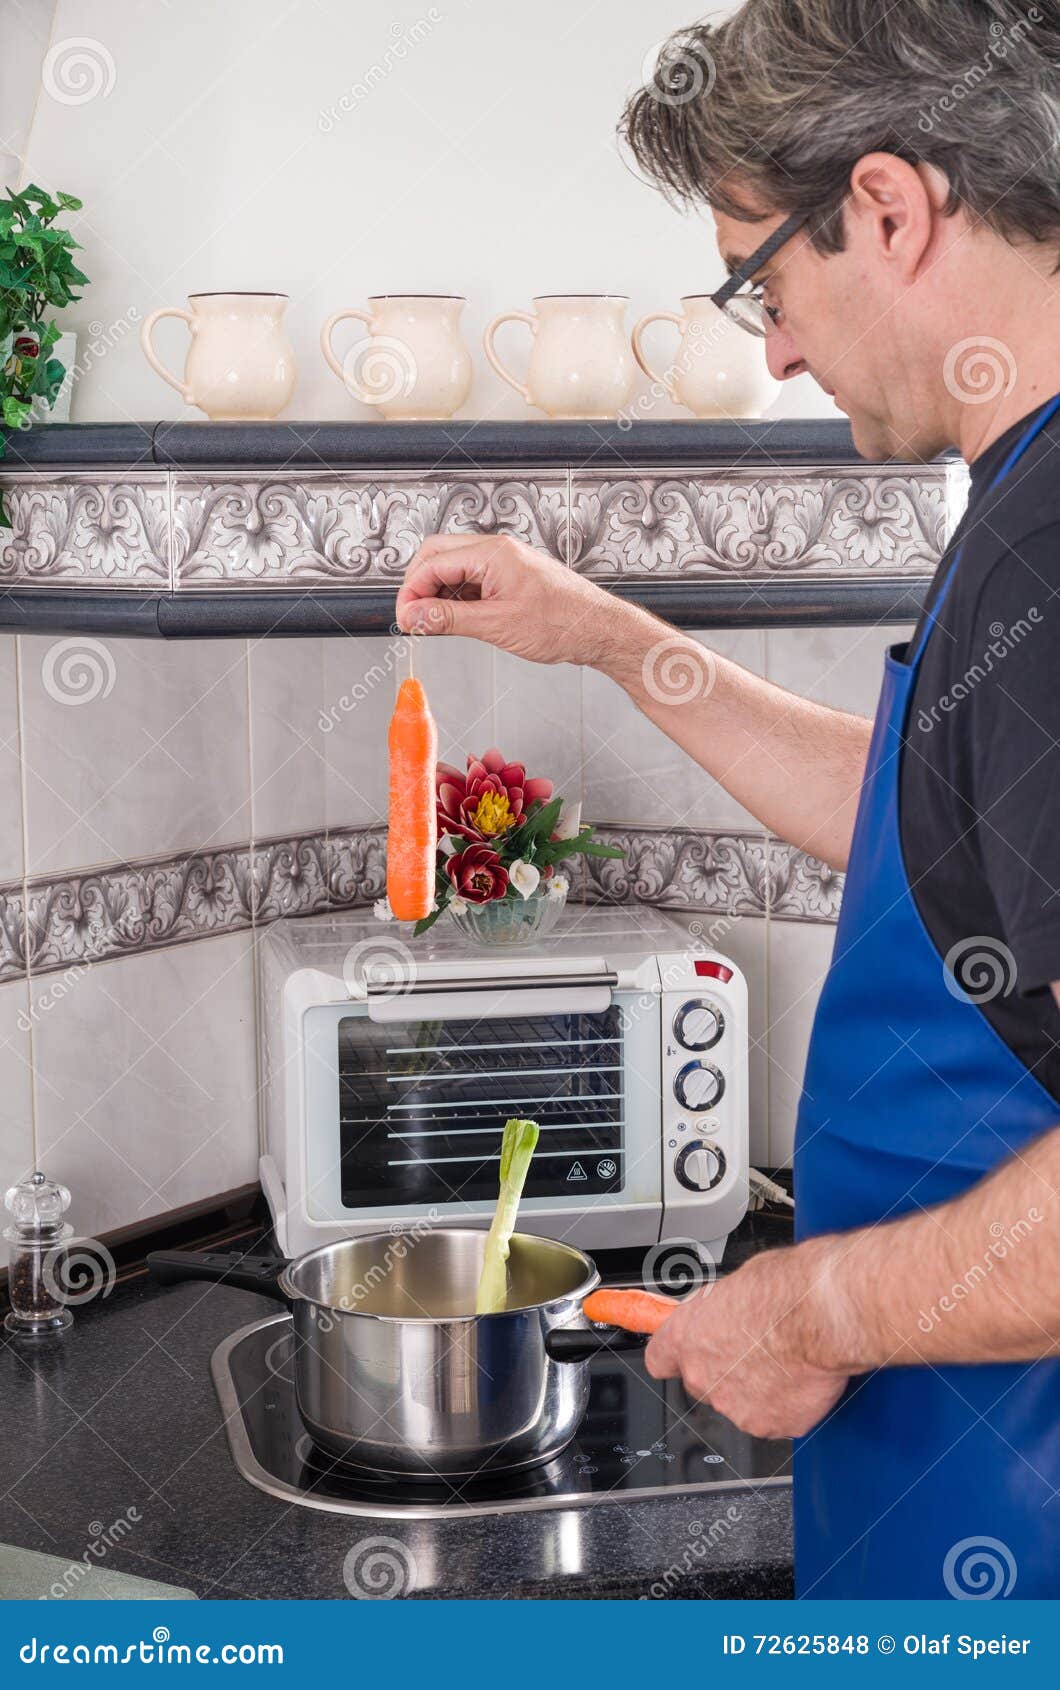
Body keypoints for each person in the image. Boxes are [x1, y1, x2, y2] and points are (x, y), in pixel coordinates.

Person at [396, 0, 1060, 1599]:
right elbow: (943, 847)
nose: (769, 342)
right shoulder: (1020, 502)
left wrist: (809, 1311)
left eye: (760, 275)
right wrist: (618, 645)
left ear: (890, 210)